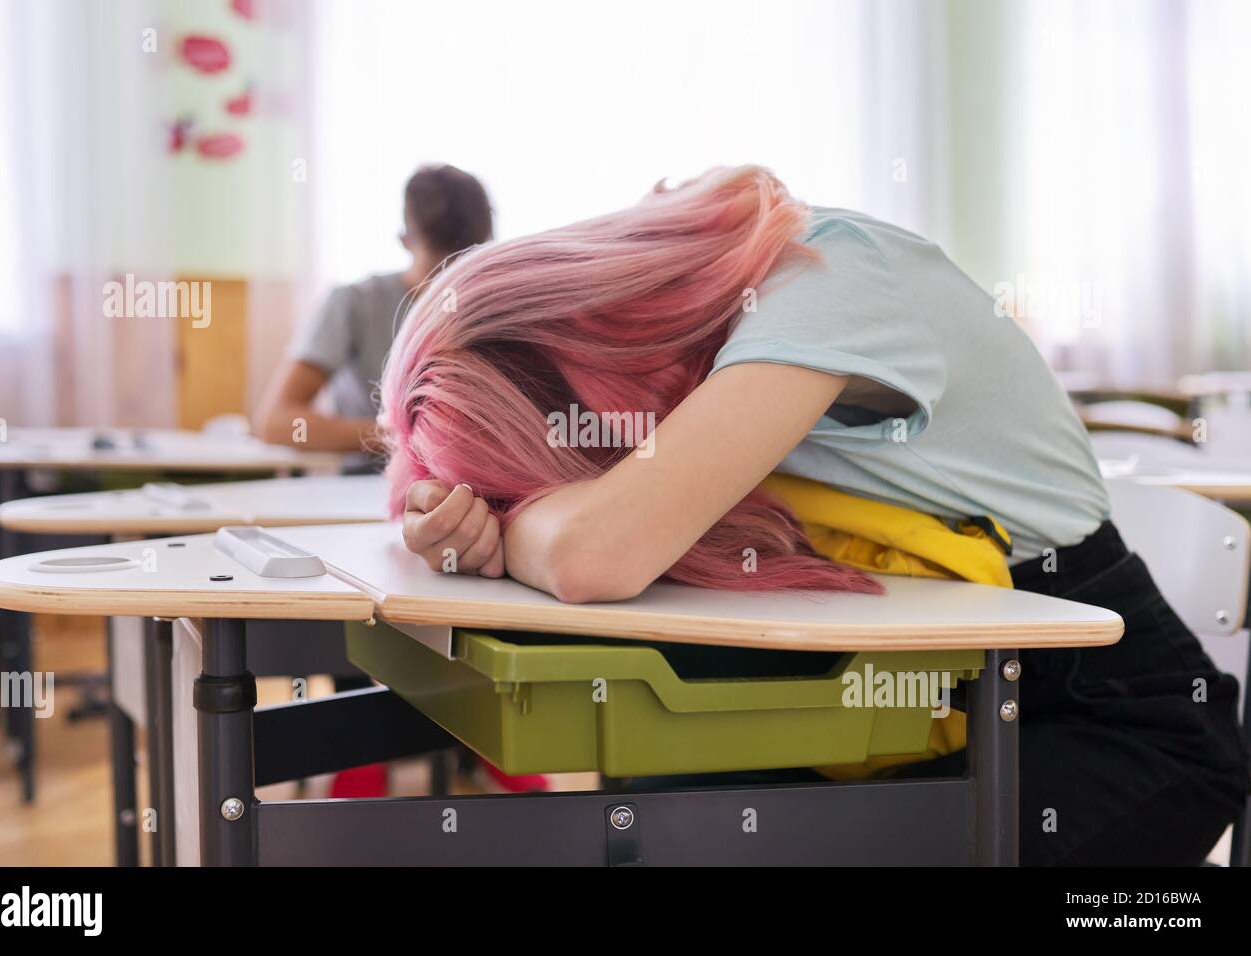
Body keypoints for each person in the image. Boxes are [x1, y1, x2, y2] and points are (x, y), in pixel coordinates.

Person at [378, 166, 1248, 866]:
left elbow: (594, 555)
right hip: (910, 702)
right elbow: (590, 539)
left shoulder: (823, 274)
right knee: (654, 829)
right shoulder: (694, 359)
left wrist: (511, 526)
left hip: (1114, 719)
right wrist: (464, 518)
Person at [255, 164, 493, 462]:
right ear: (404, 242)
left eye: (463, 265)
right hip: (368, 485)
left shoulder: (495, 313)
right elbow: (277, 422)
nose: (446, 288)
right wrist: (409, 436)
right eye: (437, 268)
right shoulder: (356, 303)